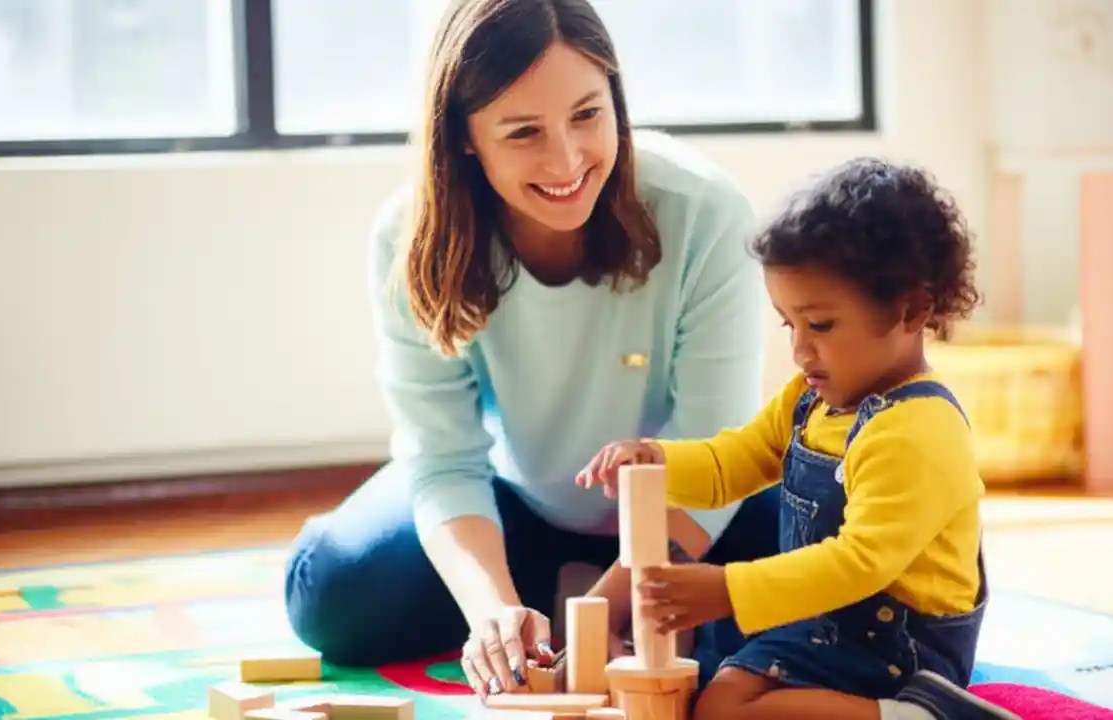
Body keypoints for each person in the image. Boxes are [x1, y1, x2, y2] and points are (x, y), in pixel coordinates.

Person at [283, 0, 781, 701]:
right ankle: (555, 590)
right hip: (511, 504)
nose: (566, 159)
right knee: (329, 592)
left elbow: (714, 439)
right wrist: (491, 615)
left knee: (867, 565)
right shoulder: (408, 238)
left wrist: (608, 609)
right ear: (463, 139)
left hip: (687, 507)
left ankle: (586, 593)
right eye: (523, 133)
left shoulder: (704, 211)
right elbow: (443, 457)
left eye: (587, 114)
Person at [578, 158, 1022, 720]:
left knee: (735, 714)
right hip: (822, 625)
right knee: (716, 702)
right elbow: (731, 462)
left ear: (909, 309)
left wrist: (727, 589)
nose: (800, 350)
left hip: (903, 652)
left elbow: (860, 563)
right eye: (790, 324)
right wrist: (657, 460)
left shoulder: (917, 429)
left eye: (822, 325)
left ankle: (925, 714)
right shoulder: (808, 400)